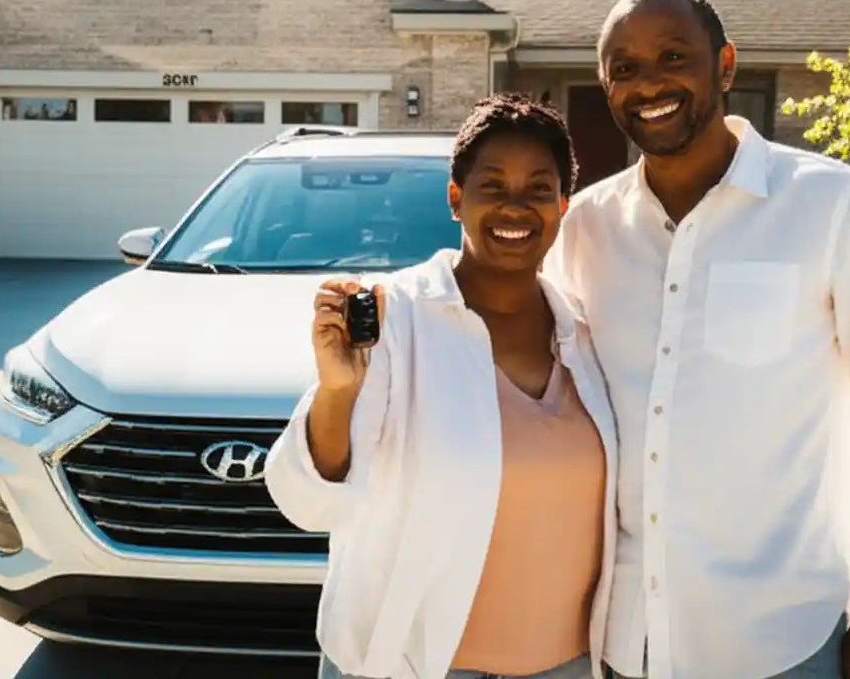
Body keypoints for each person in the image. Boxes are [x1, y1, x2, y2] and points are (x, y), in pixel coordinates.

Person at [541, 0, 850, 679]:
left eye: (674, 56)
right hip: (621, 640)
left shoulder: (834, 206)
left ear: (724, 65)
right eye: (625, 68)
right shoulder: (584, 227)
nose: (649, 84)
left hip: (780, 640)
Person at [265, 94, 620, 679]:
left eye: (538, 189)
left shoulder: (585, 335)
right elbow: (307, 504)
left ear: (562, 205)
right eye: (493, 185)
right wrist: (337, 392)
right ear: (456, 198)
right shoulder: (397, 319)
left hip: (567, 666)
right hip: (411, 664)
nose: (515, 207)